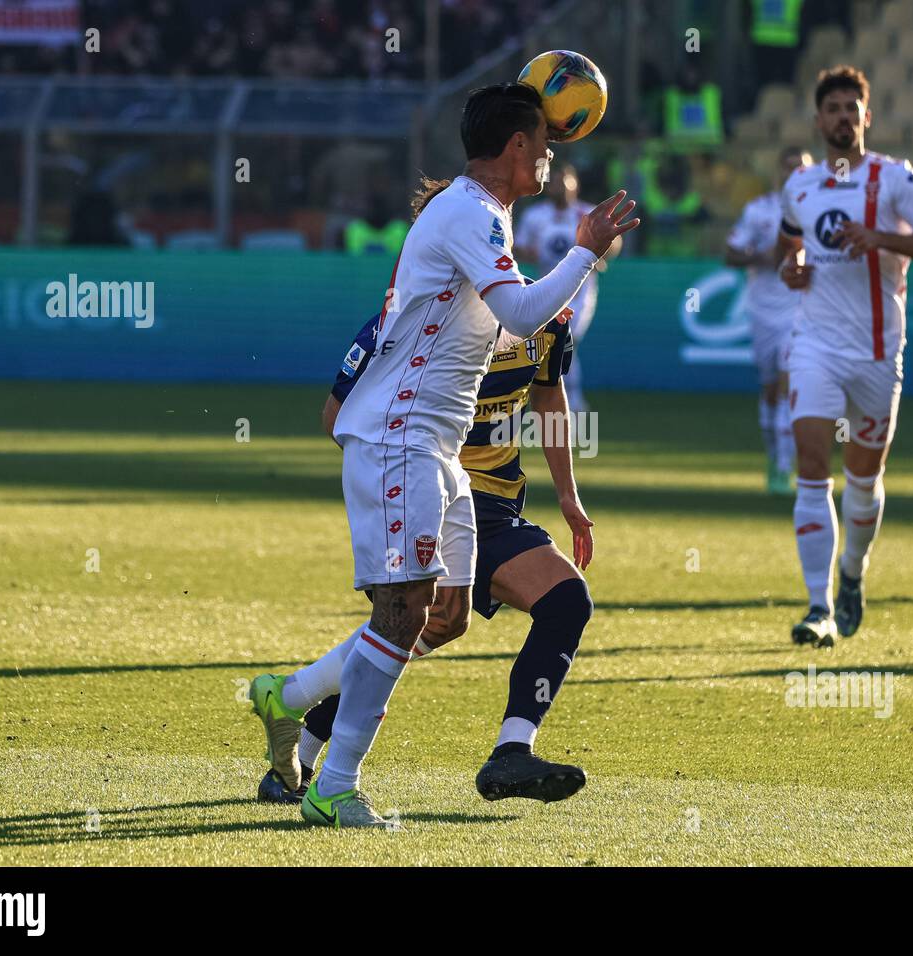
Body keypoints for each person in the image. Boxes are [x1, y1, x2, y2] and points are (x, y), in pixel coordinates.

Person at [247, 81, 638, 828]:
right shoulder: (466, 211)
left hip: (439, 455)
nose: (554, 154)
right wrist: (584, 251)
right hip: (403, 441)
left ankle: (287, 697)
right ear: (517, 146)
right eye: (544, 142)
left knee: (445, 615)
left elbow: (524, 334)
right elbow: (522, 310)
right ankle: (335, 786)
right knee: (401, 614)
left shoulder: (480, 216)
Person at [258, 271, 595, 806]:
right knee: (534, 605)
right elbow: (335, 418)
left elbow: (549, 396)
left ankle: (297, 732)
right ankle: (507, 748)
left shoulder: (542, 320)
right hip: (424, 492)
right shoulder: (406, 322)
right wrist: (396, 479)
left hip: (495, 505)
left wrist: (569, 497)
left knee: (420, 628)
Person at [777, 65, 913, 647]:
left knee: (863, 478)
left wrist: (884, 239)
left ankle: (851, 573)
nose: (841, 118)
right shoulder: (801, 187)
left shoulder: (894, 178)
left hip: (879, 353)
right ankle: (817, 606)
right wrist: (792, 267)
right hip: (815, 346)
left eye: (851, 109)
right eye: (832, 108)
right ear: (818, 119)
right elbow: (789, 245)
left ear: (866, 117)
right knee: (811, 464)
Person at [724, 146, 812, 494]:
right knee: (771, 388)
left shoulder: (816, 208)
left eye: (801, 168)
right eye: (789, 167)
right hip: (763, 311)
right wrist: (761, 256)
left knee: (792, 388)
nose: (794, 174)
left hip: (801, 311)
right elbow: (731, 253)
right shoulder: (759, 210)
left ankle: (783, 466)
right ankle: (774, 454)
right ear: (779, 171)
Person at [515, 164, 621, 413]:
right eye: (555, 181)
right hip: (549, 287)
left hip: (581, 292)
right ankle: (567, 403)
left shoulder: (587, 213)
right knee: (558, 342)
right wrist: (535, 254)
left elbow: (615, 240)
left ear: (576, 183)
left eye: (566, 180)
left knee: (566, 338)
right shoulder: (535, 215)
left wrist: (600, 254)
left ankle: (569, 402)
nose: (560, 185)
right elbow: (517, 246)